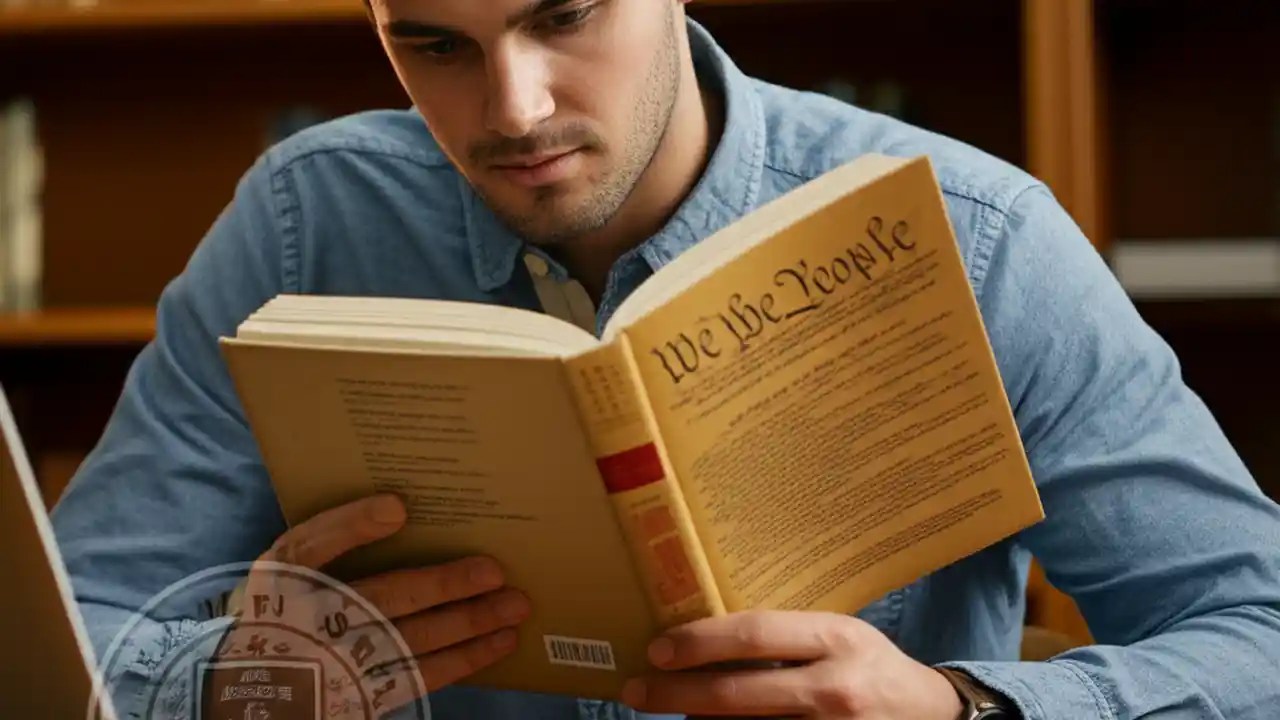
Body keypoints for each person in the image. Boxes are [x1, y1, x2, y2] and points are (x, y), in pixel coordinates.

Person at [50, 0, 1280, 718]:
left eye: (565, 14)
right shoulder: (303, 222)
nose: (512, 111)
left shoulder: (974, 234)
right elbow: (67, 641)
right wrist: (232, 676)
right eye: (434, 45)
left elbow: (1256, 626)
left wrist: (959, 708)